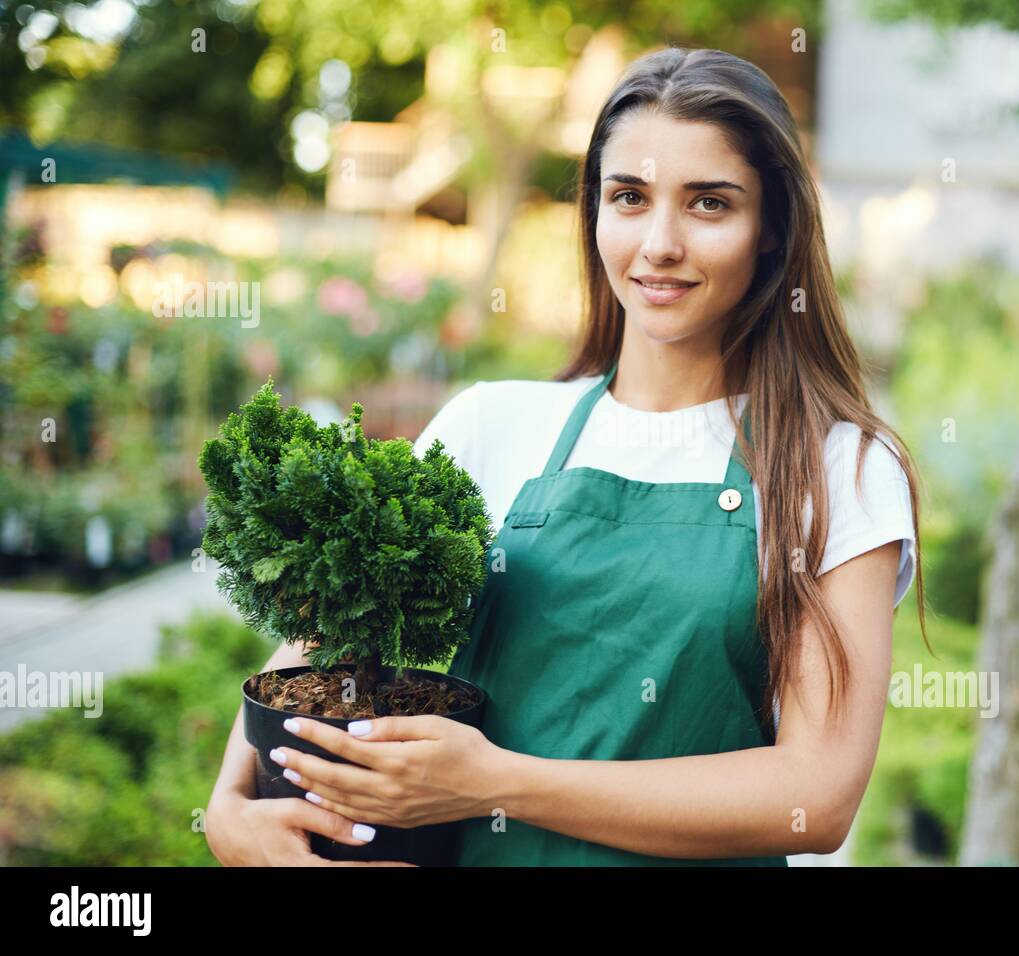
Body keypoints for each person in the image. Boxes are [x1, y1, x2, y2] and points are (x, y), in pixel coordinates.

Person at [204, 45, 931, 867]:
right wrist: (230, 812)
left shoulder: (836, 469)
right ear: (594, 213)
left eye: (709, 204)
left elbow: (815, 795)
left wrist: (498, 783)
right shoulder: (490, 425)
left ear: (770, 231)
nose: (659, 243)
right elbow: (318, 640)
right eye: (630, 197)